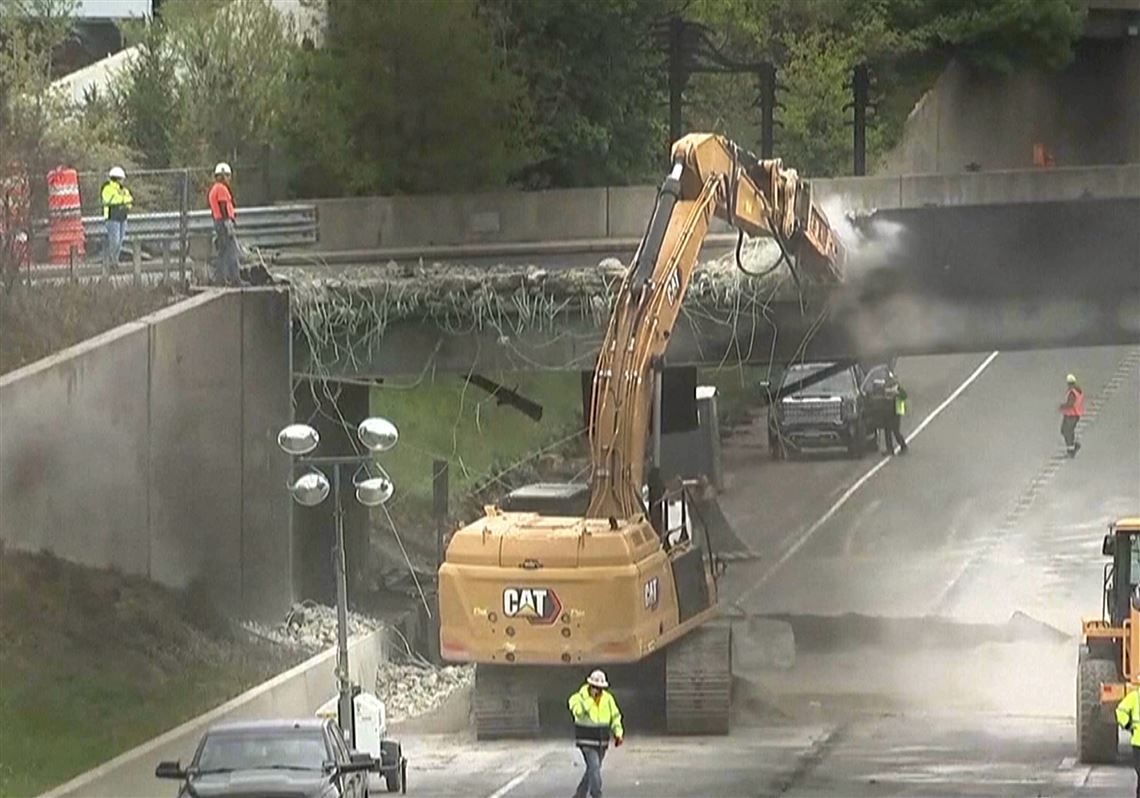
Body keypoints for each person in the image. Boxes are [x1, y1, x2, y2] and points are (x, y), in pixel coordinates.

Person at [568, 669, 623, 798]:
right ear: (590, 685)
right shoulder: (577, 698)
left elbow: (615, 716)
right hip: (586, 740)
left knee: (593, 770)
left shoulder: (608, 699)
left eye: (600, 688)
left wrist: (618, 733)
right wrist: (589, 700)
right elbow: (578, 712)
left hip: (602, 741)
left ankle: (580, 794)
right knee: (594, 767)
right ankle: (596, 794)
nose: (598, 691)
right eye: (595, 687)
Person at [207, 162, 241, 286]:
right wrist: (228, 222)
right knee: (232, 250)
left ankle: (220, 279)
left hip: (219, 222)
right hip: (224, 223)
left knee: (223, 252)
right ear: (223, 176)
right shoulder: (221, 188)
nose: (229, 179)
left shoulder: (214, 189)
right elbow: (223, 206)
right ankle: (235, 279)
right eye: (228, 176)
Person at [100, 166, 133, 270]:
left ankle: (115, 261)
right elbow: (112, 200)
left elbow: (130, 200)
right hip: (111, 217)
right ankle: (112, 261)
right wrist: (123, 200)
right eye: (122, 179)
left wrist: (123, 201)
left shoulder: (123, 190)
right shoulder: (107, 188)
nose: (123, 181)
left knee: (120, 240)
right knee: (115, 240)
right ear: (118, 179)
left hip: (122, 217)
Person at [1118, 686, 1140, 798]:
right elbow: (1121, 711)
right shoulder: (1134, 697)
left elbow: (1120, 711)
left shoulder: (1135, 696)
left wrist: (1127, 725)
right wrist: (1127, 724)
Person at [1059, 373, 1084, 457]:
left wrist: (1062, 407)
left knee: (1066, 431)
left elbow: (1070, 404)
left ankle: (1071, 449)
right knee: (1067, 431)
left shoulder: (1072, 393)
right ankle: (1072, 446)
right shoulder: (1078, 390)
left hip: (1071, 415)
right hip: (1075, 414)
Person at [884, 374, 908, 455]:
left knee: (895, 431)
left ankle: (903, 446)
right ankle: (889, 449)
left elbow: (904, 396)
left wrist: (897, 392)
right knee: (887, 430)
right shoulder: (887, 388)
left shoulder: (898, 389)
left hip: (896, 412)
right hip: (889, 412)